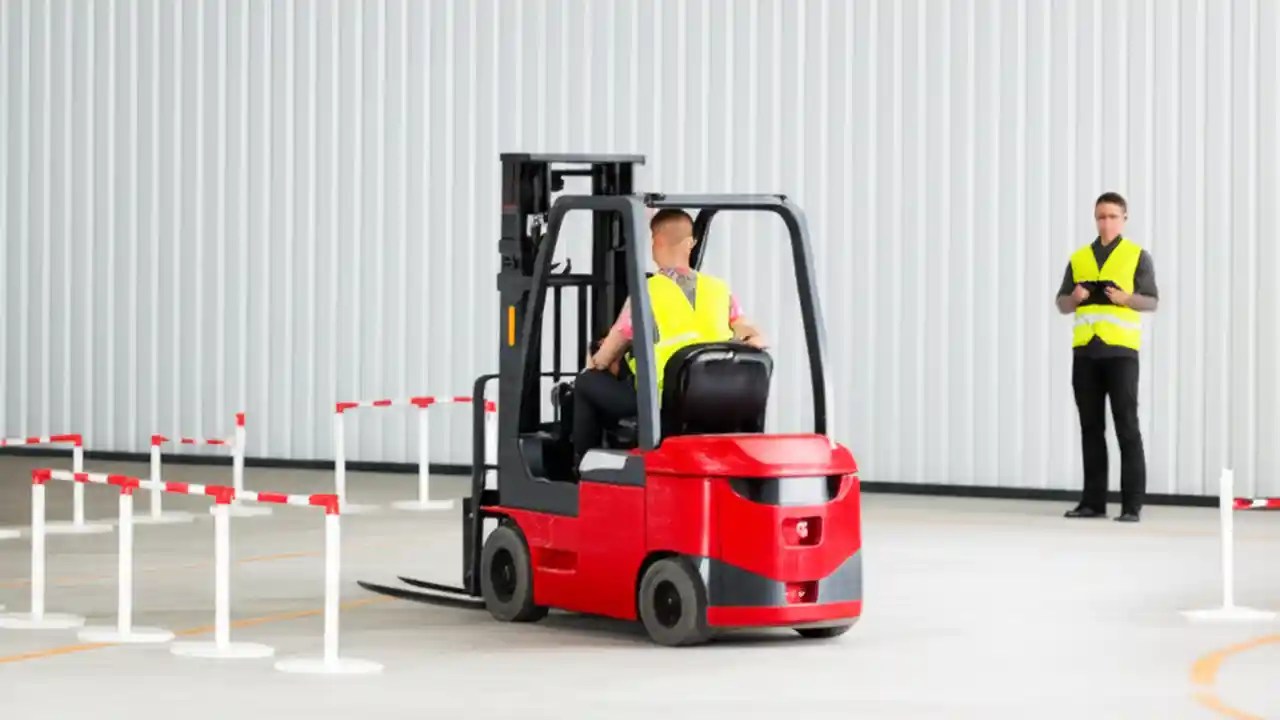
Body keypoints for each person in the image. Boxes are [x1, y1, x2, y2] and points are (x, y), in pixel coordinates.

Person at [571, 208, 768, 465]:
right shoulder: (720, 291)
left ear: (656, 243)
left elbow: (605, 357)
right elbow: (758, 338)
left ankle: (581, 470)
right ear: (692, 243)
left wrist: (595, 359)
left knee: (586, 383)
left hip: (664, 407)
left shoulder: (647, 294)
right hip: (720, 408)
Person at [1056, 192, 1159, 522]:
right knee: (1091, 428)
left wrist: (1127, 298)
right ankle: (1092, 503)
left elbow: (1152, 301)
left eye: (1113, 216)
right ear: (1095, 218)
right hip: (1086, 352)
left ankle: (1132, 506)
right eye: (1101, 216)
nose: (1106, 222)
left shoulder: (1137, 256)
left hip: (1120, 354)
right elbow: (1062, 305)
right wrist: (1075, 296)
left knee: (1127, 427)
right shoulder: (1079, 258)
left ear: (1124, 218)